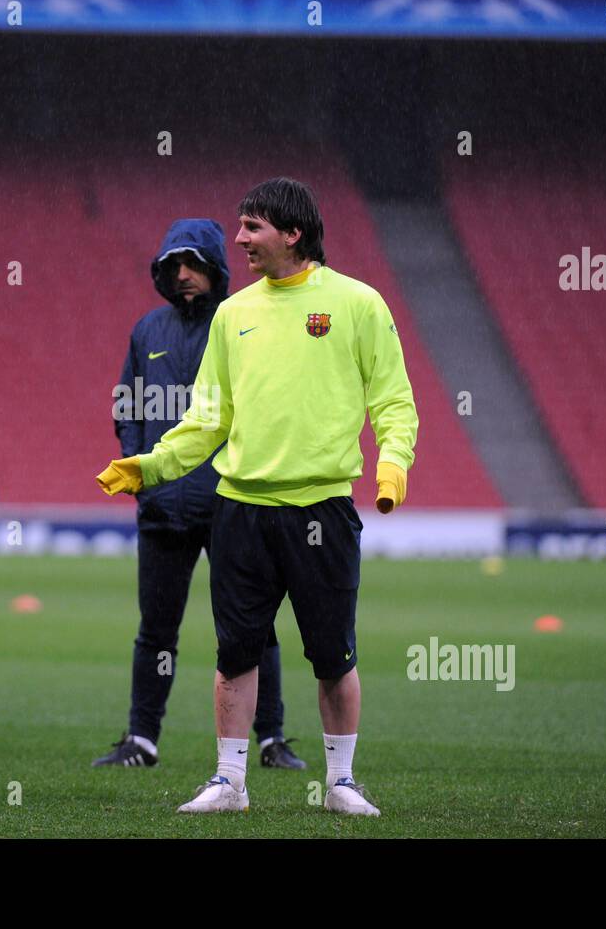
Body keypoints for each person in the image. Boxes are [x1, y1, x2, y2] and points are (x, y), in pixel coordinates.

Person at [98, 178, 417, 815]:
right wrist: (153, 465)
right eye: (240, 227)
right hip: (239, 508)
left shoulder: (357, 304)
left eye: (252, 228)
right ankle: (229, 782)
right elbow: (207, 419)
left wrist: (393, 467)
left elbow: (394, 401)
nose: (238, 239)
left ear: (291, 233)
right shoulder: (234, 314)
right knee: (236, 651)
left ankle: (341, 783)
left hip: (321, 509)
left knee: (333, 654)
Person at [93, 219, 305, 771]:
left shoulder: (243, 325)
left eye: (192, 265)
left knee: (253, 627)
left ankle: (271, 739)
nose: (182, 275)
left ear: (216, 268)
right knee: (156, 630)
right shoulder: (147, 332)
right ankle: (142, 740)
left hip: (230, 505)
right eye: (171, 267)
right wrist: (143, 476)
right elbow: (128, 407)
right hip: (162, 511)